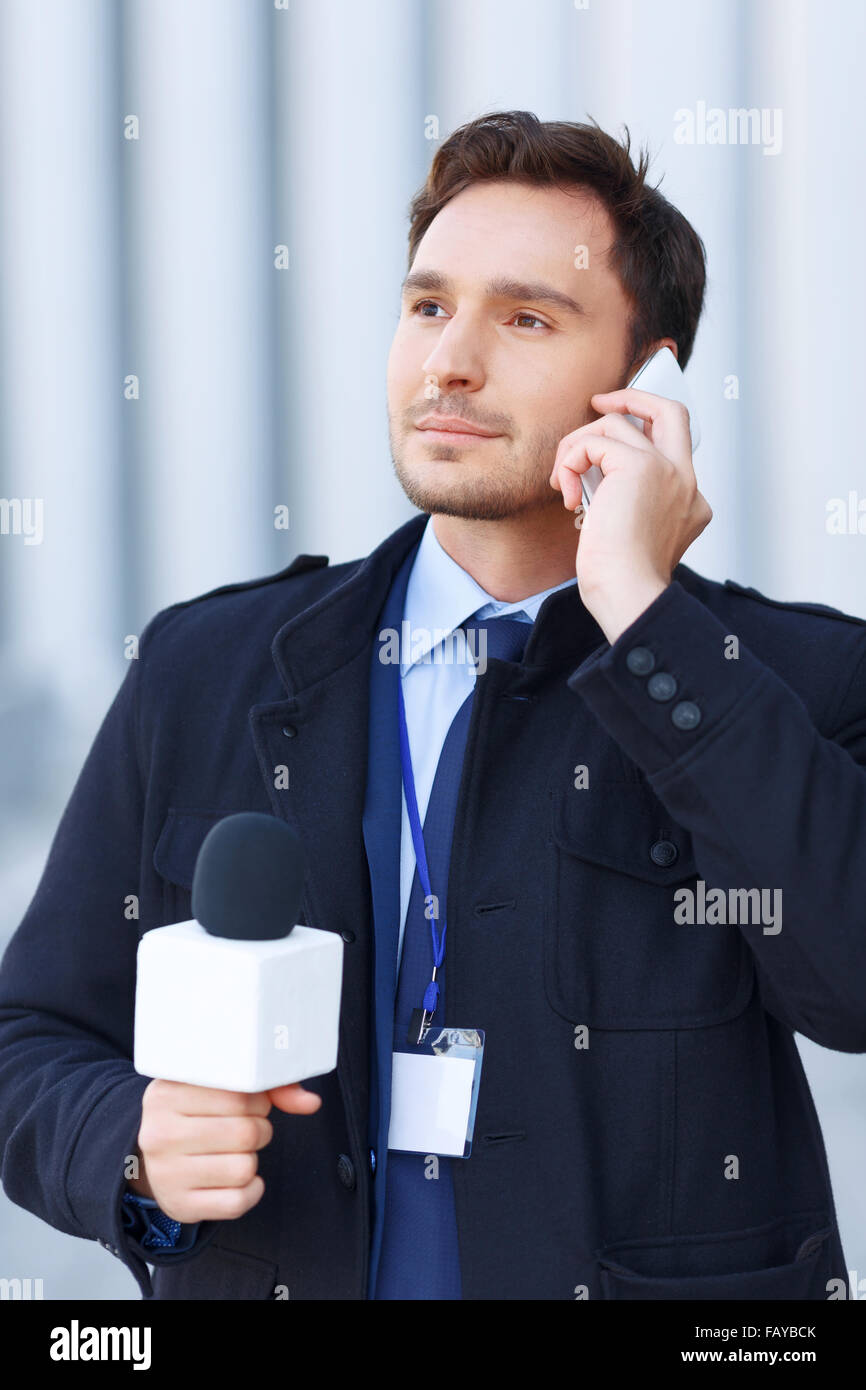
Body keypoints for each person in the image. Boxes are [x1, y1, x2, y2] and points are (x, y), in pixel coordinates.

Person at [1, 110, 864, 1301]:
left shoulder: (786, 680)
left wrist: (642, 613)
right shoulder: (204, 667)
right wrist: (127, 1145)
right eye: (425, 306)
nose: (448, 360)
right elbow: (29, 1036)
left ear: (645, 383)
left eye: (523, 317)